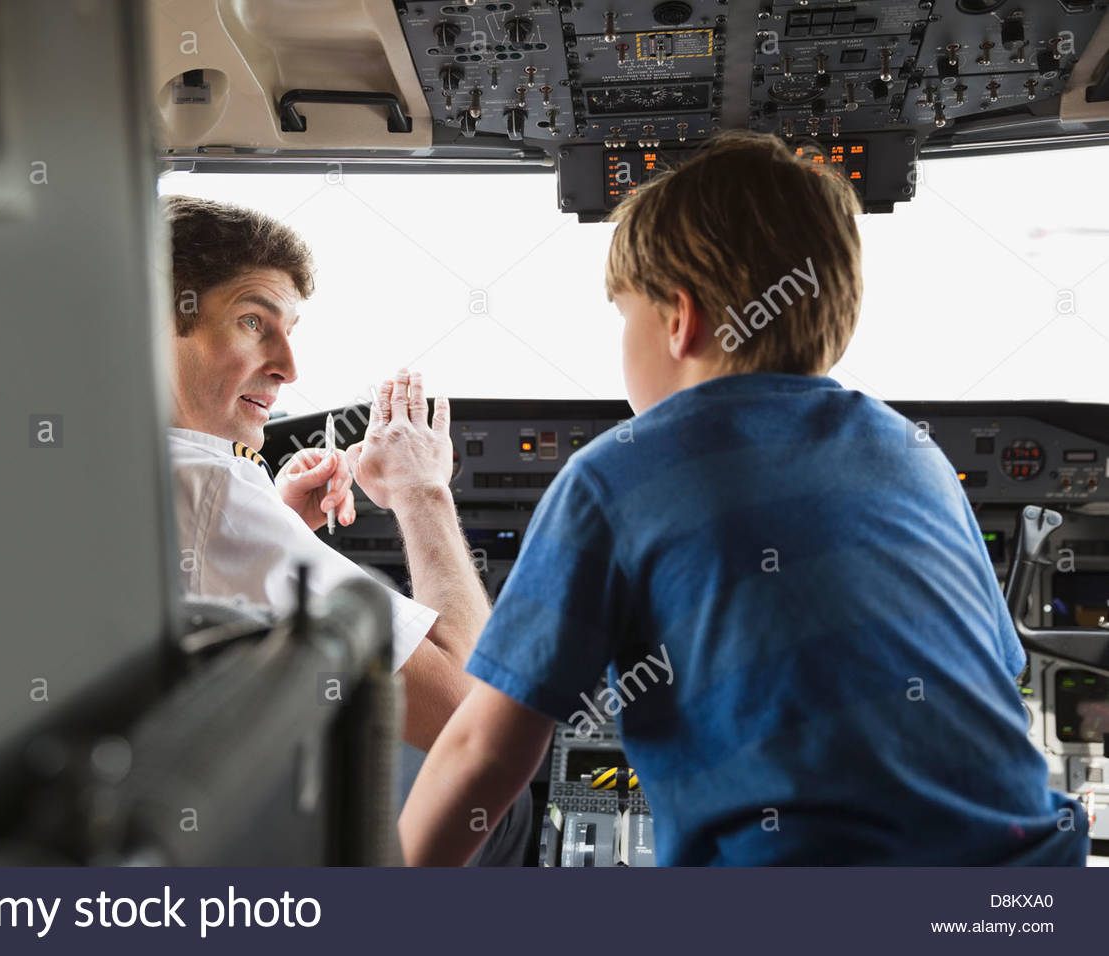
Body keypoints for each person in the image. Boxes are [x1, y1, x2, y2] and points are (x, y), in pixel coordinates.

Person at [398, 131, 1089, 866]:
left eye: (623, 315)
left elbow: (482, 748)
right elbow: (997, 676)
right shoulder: (916, 458)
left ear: (678, 319)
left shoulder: (616, 476)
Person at [163, 196, 531, 864]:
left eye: (290, 331)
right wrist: (420, 491)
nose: (288, 367)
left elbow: (196, 571)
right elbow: (467, 718)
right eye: (253, 322)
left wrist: (280, 524)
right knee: (503, 799)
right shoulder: (206, 485)